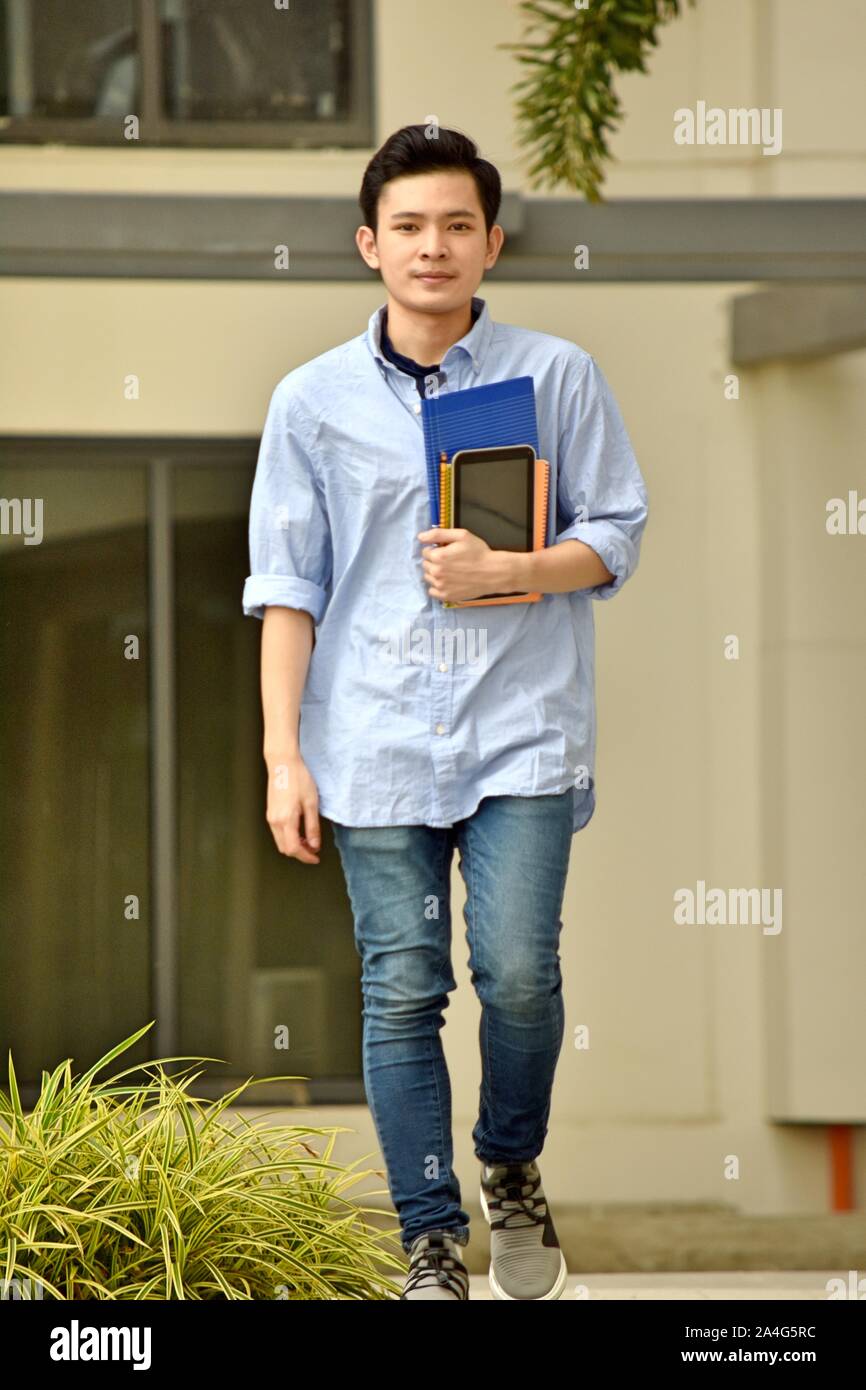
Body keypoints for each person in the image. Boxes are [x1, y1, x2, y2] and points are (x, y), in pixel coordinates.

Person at [242, 124, 649, 1300]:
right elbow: (287, 587)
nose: (433, 247)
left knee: (517, 972)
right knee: (403, 982)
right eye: (409, 226)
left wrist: (513, 571)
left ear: (491, 243)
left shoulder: (556, 374)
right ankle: (427, 1239)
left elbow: (615, 531)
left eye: (456, 226)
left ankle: (508, 1166)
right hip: (368, 740)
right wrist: (283, 755)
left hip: (520, 727)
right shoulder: (309, 402)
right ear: (369, 244)